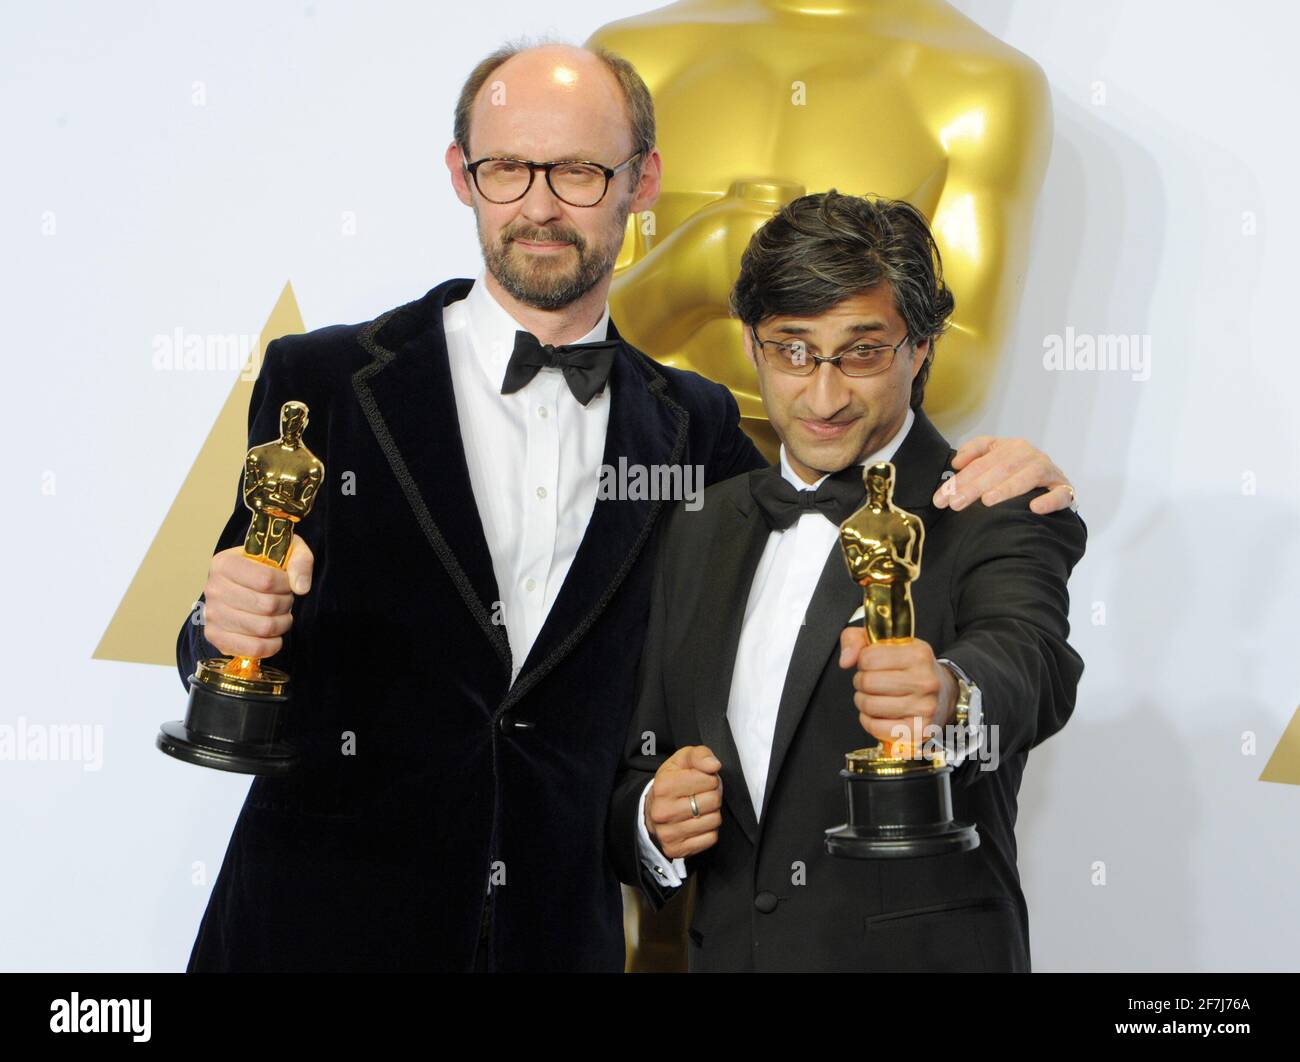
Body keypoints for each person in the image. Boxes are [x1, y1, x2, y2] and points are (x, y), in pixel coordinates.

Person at [177, 42, 1077, 972]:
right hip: (318, 924)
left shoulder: (698, 430)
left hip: (556, 934)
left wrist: (1005, 466)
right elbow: (233, 627)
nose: (539, 204)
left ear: (642, 181)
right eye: (506, 169)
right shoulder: (325, 381)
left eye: (577, 170)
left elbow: (838, 500)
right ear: (461, 176)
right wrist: (219, 622)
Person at [608, 189, 1086, 972]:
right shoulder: (699, 522)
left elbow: (1028, 658)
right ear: (752, 346)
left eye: (862, 351)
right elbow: (642, 756)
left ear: (921, 346)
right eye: (792, 349)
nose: (823, 396)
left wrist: (949, 694)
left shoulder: (995, 503)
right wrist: (650, 821)